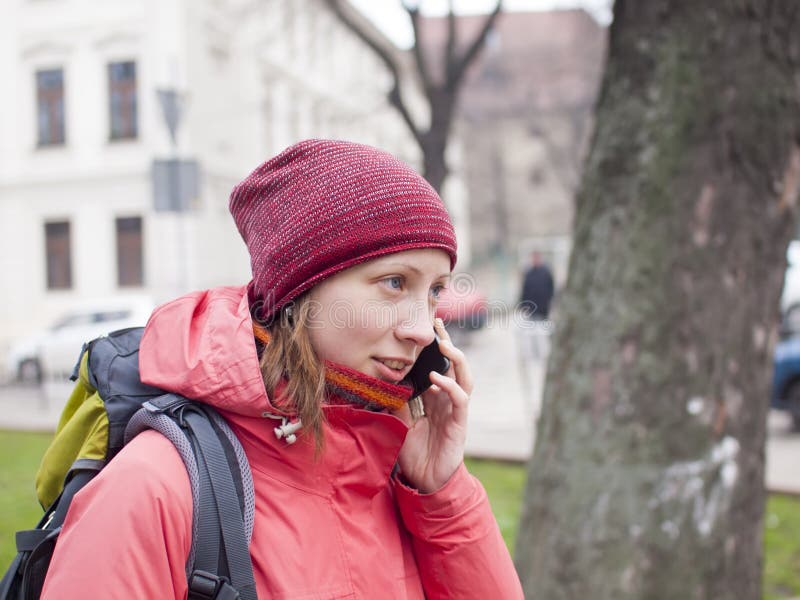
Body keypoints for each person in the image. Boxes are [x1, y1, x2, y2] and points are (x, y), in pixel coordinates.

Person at [40, 139, 524, 598]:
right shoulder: (155, 487)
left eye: (435, 291)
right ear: (299, 290)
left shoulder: (397, 468)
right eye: (394, 283)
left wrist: (441, 494)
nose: (422, 329)